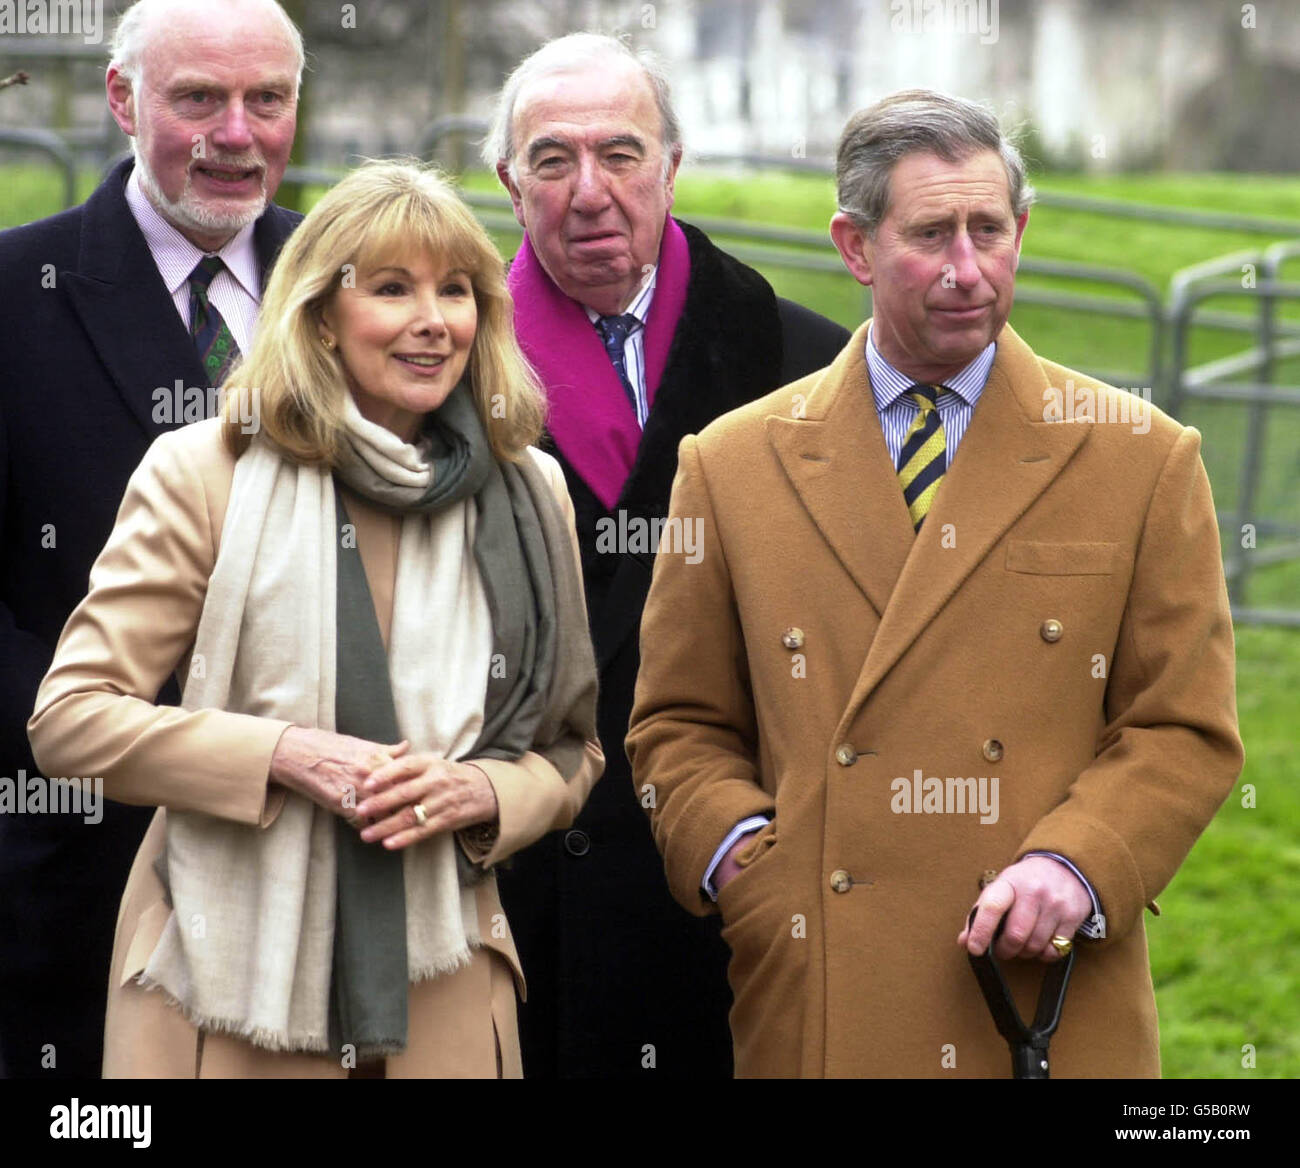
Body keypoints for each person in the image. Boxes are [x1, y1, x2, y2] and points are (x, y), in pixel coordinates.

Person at [626, 89, 1244, 1077]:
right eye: (929, 234)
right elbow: (675, 723)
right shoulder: (731, 463)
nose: (967, 269)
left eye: (988, 230)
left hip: (1034, 997)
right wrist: (746, 862)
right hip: (819, 989)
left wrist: (1076, 863)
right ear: (853, 246)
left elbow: (1182, 724)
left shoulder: (1143, 457)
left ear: (1020, 230)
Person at [27, 158, 603, 1078]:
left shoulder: (528, 488)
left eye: (456, 290)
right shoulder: (203, 471)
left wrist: (487, 794)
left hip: (447, 984)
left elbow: (574, 750)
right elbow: (70, 721)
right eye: (391, 289)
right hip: (221, 991)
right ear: (321, 318)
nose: (433, 320)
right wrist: (282, 756)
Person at [482, 32, 849, 1078]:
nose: (588, 191)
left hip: (735, 874)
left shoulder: (806, 362)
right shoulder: (439, 368)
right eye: (551, 160)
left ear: (673, 166)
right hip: (506, 877)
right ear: (510, 186)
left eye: (621, 154)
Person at [0, 0, 303, 1077]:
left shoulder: (353, 292)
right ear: (123, 100)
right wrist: (112, 744)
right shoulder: (13, 291)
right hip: (72, 856)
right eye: (198, 99)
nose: (236, 134)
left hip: (314, 850)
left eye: (266, 99)